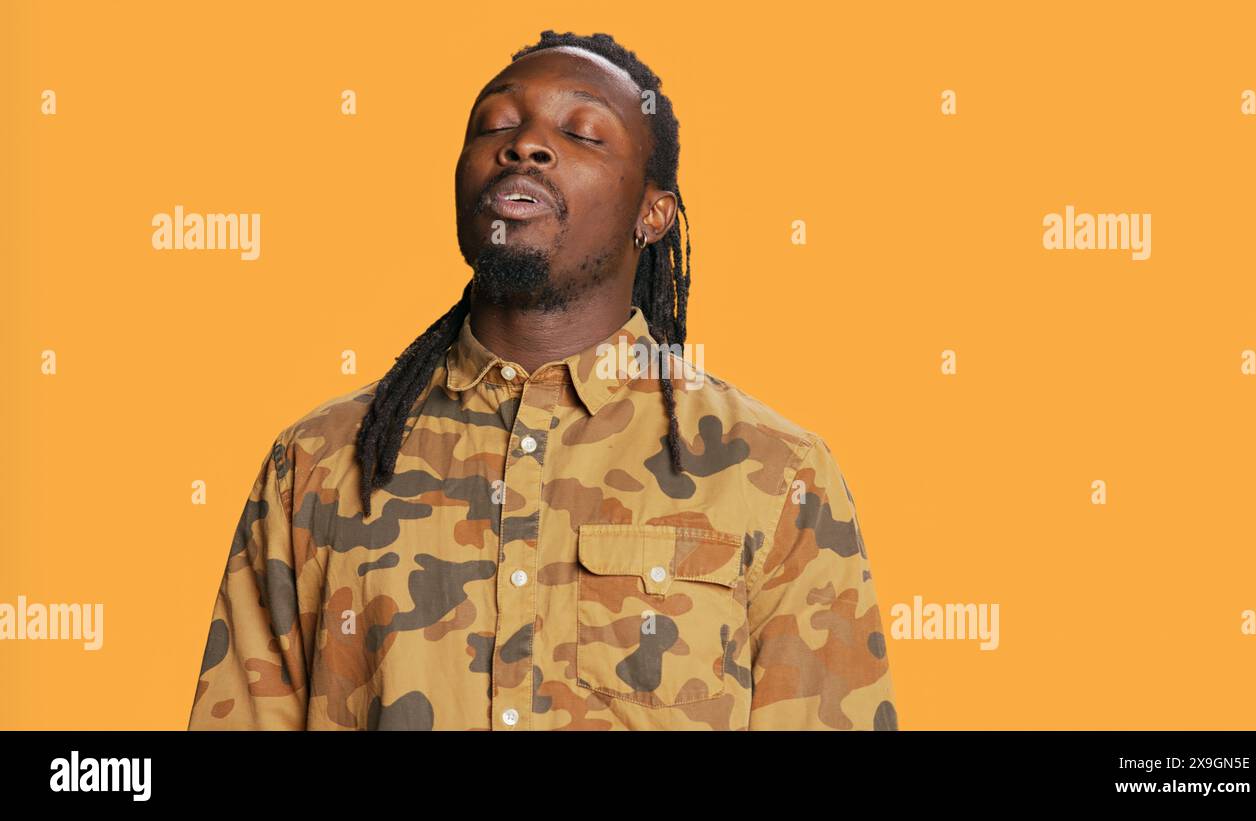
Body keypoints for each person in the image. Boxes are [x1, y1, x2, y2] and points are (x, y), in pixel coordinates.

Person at [187, 30, 897, 730]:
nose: (523, 144)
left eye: (582, 132)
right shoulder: (314, 464)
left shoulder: (779, 476)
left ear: (653, 213)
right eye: (496, 124)